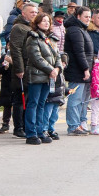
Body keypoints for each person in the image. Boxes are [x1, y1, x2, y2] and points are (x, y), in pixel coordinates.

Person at [23, 12, 62, 145]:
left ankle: (40, 131)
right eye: (43, 21)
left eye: (48, 21)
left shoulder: (50, 39)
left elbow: (57, 56)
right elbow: (36, 58)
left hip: (48, 77)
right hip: (36, 75)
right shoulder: (33, 38)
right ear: (37, 22)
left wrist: (57, 68)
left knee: (42, 103)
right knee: (33, 103)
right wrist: (50, 69)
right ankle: (31, 133)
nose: (46, 23)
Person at [9, 3, 38, 138]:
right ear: (23, 13)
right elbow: (16, 49)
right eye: (31, 12)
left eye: (36, 12)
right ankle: (18, 127)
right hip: (23, 68)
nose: (34, 14)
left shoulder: (33, 27)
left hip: (33, 68)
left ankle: (27, 126)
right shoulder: (18, 28)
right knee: (20, 99)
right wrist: (19, 69)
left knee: (30, 98)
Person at [64, 6, 94, 136]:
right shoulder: (75, 30)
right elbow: (79, 52)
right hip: (77, 71)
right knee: (75, 99)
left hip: (81, 70)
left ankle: (78, 124)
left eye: (89, 17)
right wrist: (85, 69)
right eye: (85, 17)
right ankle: (73, 126)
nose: (88, 19)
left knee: (82, 100)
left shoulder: (80, 29)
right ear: (78, 17)